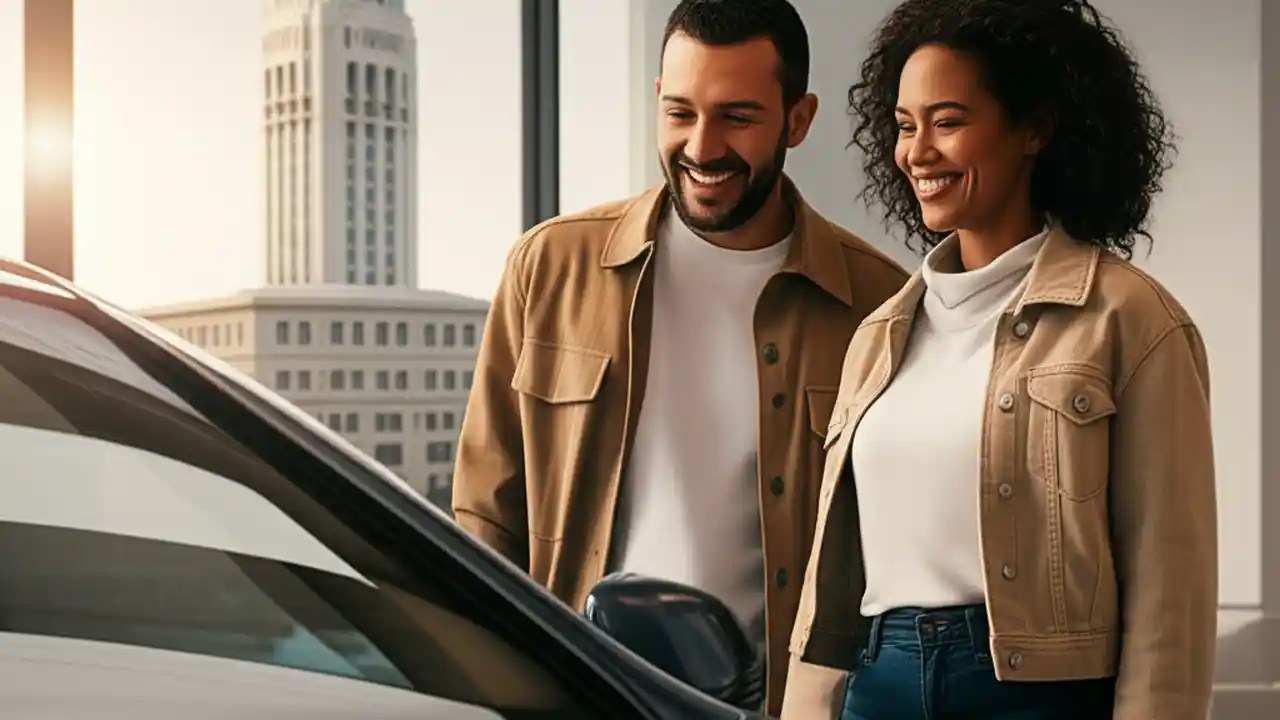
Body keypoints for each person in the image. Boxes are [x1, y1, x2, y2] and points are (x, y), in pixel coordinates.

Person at [452, 0, 908, 712]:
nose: (702, 145)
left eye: (737, 116)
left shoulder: (879, 305)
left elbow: (889, 565)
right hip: (575, 696)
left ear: (798, 118)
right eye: (681, 112)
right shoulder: (549, 267)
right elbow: (486, 519)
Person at [781, 1, 1217, 718]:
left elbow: (1172, 588)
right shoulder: (880, 334)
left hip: (1036, 696)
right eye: (904, 125)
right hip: (878, 684)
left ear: (1036, 129)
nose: (917, 152)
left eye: (948, 122)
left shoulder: (1131, 321)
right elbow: (831, 597)